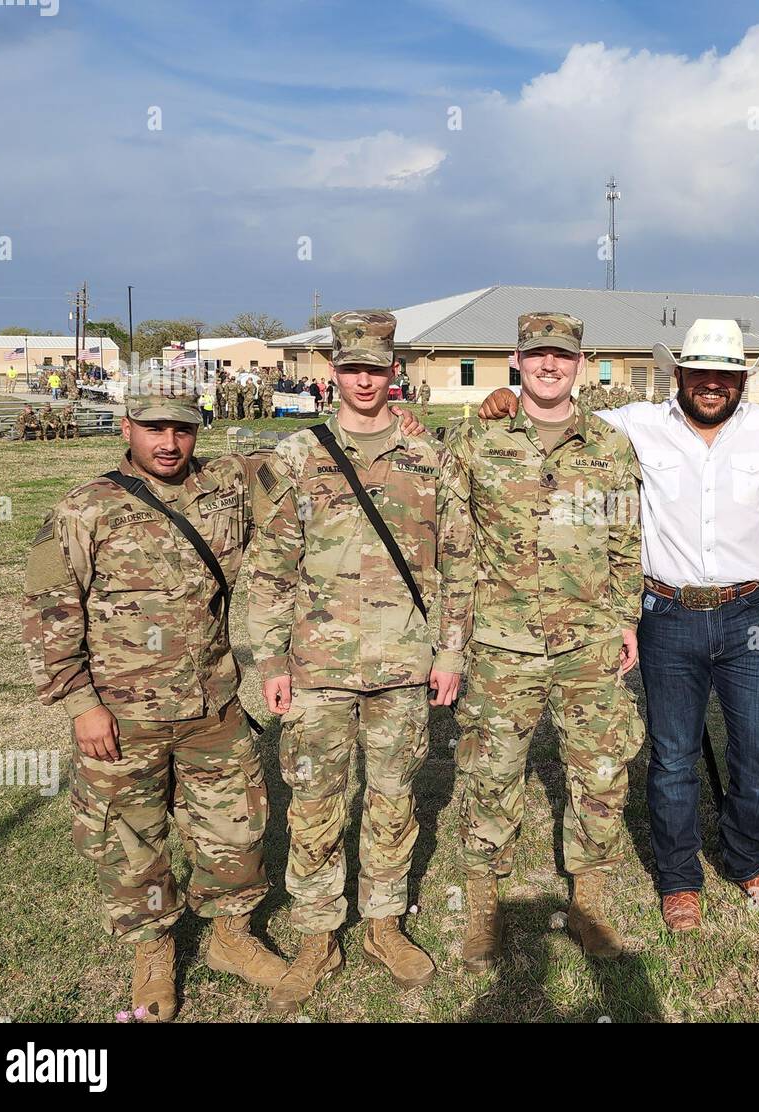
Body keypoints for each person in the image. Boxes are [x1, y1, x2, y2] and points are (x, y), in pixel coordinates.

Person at [478, 319, 759, 931]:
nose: (713, 385)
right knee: (672, 757)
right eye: (701, 373)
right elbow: (556, 411)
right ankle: (679, 877)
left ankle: (747, 860)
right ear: (679, 374)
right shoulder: (636, 426)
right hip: (665, 613)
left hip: (749, 612)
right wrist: (506, 398)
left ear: (743, 378)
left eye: (726, 374)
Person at [22, 384, 285, 1023]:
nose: (169, 444)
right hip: (121, 714)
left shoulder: (229, 487)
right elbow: (49, 606)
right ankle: (153, 949)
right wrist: (80, 701)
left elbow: (324, 461)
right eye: (154, 429)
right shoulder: (86, 507)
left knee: (237, 829)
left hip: (212, 703)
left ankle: (230, 936)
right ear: (126, 428)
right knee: (129, 840)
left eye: (183, 430)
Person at [247, 310, 451, 1014]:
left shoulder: (429, 456)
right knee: (313, 805)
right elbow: (270, 568)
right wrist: (269, 661)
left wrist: (450, 650)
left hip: (401, 665)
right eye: (352, 367)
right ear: (334, 372)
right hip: (315, 669)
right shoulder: (296, 457)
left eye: (376, 368)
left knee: (394, 800)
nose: (365, 380)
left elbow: (458, 562)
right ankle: (316, 933)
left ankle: (385, 923)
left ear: (394, 373)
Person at [435, 312, 644, 970]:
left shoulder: (609, 445)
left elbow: (624, 542)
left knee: (600, 772)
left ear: (581, 363)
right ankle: (483, 907)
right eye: (538, 354)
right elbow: (454, 548)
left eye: (564, 355)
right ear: (516, 360)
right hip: (502, 641)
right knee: (491, 775)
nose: (551, 365)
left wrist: (624, 619)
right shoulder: (477, 435)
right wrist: (450, 643)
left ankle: (591, 901)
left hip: (586, 640)